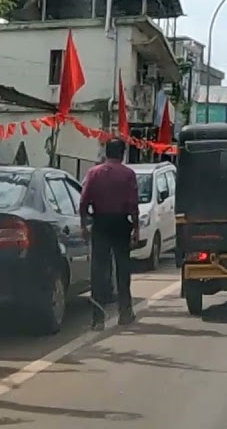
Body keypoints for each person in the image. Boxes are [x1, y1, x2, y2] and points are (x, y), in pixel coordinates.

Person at [79, 138, 140, 329]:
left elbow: (83, 201)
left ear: (106, 153)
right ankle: (125, 312)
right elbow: (133, 204)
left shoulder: (93, 173)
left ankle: (98, 318)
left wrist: (83, 225)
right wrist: (136, 229)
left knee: (98, 271)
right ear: (122, 154)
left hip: (100, 223)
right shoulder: (128, 174)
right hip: (121, 224)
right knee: (123, 269)